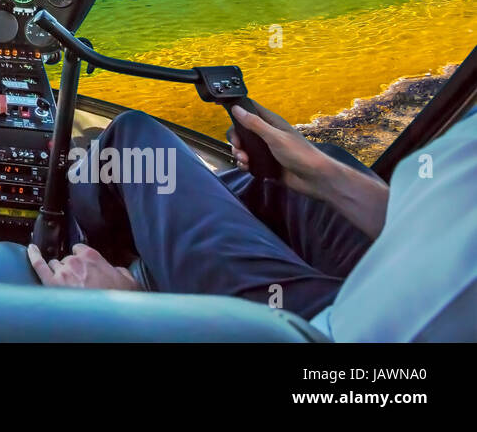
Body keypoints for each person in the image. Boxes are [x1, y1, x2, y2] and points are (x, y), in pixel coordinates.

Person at [26, 102, 477, 341]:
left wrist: (132, 314)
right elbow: (447, 222)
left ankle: (95, 249)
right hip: (403, 269)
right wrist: (322, 175)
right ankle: (173, 243)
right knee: (289, 180)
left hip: (324, 333)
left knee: (137, 144)